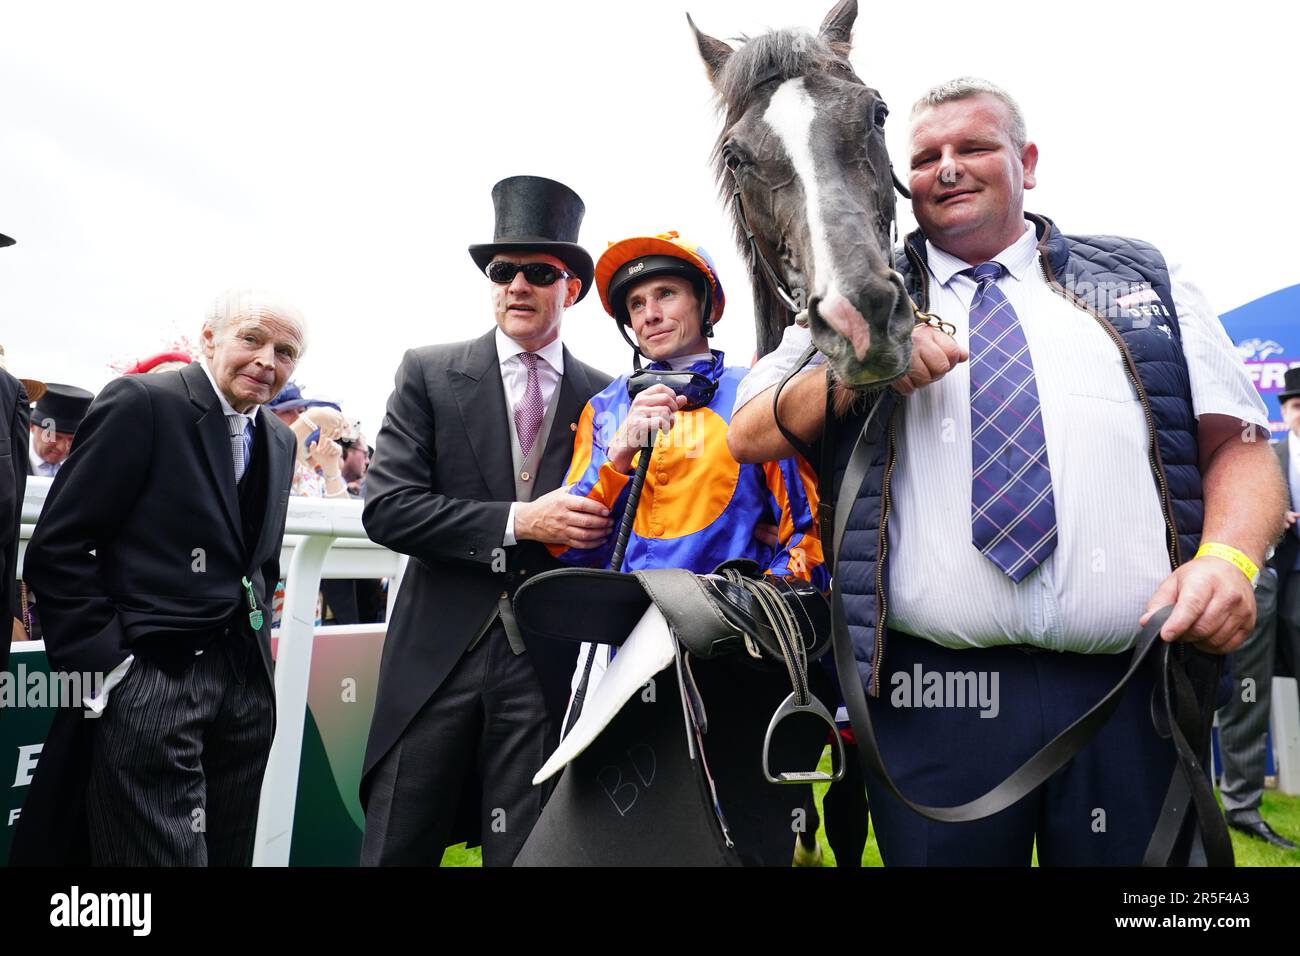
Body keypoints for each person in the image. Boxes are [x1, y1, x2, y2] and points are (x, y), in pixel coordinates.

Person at [727, 77, 1285, 866]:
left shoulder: (1144, 279)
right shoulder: (858, 299)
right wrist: (861, 364)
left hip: (1129, 690)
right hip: (932, 699)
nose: (947, 167)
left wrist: (1229, 558)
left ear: (1026, 160)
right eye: (924, 158)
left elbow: (1243, 445)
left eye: (974, 147)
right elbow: (747, 433)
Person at [359, 175, 612, 866]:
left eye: (539, 271)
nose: (518, 285)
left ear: (574, 288)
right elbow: (386, 507)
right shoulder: (430, 373)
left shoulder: (606, 394)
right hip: (437, 656)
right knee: (396, 843)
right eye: (502, 271)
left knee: (527, 850)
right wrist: (520, 521)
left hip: (545, 659)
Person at [10, 288, 304, 865]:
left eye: (286, 351)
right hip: (151, 680)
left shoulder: (277, 438)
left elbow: (258, 562)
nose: (268, 360)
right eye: (252, 338)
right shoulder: (144, 402)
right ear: (209, 339)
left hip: (242, 689)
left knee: (224, 850)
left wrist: (254, 664)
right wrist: (112, 668)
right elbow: (60, 546)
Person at [553, 229, 825, 697]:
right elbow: (571, 549)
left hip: (734, 646)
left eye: (665, 294)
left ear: (705, 304)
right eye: (636, 305)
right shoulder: (602, 408)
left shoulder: (755, 392)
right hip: (623, 648)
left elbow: (806, 536)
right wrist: (618, 456)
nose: (650, 314)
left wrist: (757, 611)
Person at [1216, 366, 1300, 849]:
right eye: (1295, 404)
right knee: (1247, 699)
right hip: (1266, 590)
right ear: (1284, 411)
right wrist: (1271, 519)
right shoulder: (1261, 458)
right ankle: (1242, 806)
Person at [27, 383, 94, 477]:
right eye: (54, 437)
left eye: (72, 439)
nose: (62, 447)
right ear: (31, 426)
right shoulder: (8, 463)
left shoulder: (86, 470)